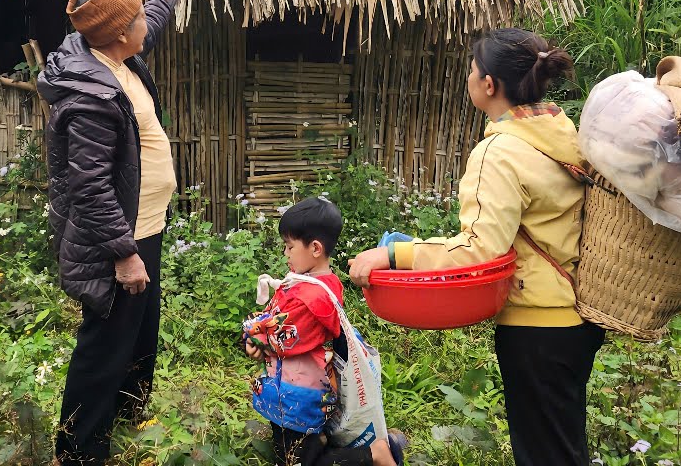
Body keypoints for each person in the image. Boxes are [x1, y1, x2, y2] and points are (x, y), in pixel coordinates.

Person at [347, 28, 605, 466]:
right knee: (562, 448)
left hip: (536, 325)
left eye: (472, 69)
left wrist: (393, 255)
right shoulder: (560, 130)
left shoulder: (500, 153)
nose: (467, 77)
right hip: (575, 321)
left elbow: (478, 252)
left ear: (489, 85)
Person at [37, 0, 184, 466]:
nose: (149, 21)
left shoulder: (110, 53)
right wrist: (124, 254)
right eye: (141, 16)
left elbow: (151, 20)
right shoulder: (91, 97)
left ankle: (126, 419)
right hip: (119, 237)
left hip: (147, 226)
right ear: (122, 34)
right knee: (105, 343)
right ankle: (78, 451)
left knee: (140, 332)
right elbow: (90, 186)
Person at [243, 197, 404, 466]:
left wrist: (254, 336)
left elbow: (283, 338)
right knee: (287, 446)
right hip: (291, 388)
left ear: (315, 248)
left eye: (290, 246)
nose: (286, 253)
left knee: (299, 461)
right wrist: (259, 332)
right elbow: (273, 317)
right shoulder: (305, 283)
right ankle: (320, 444)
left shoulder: (313, 297)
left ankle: (375, 455)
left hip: (301, 394)